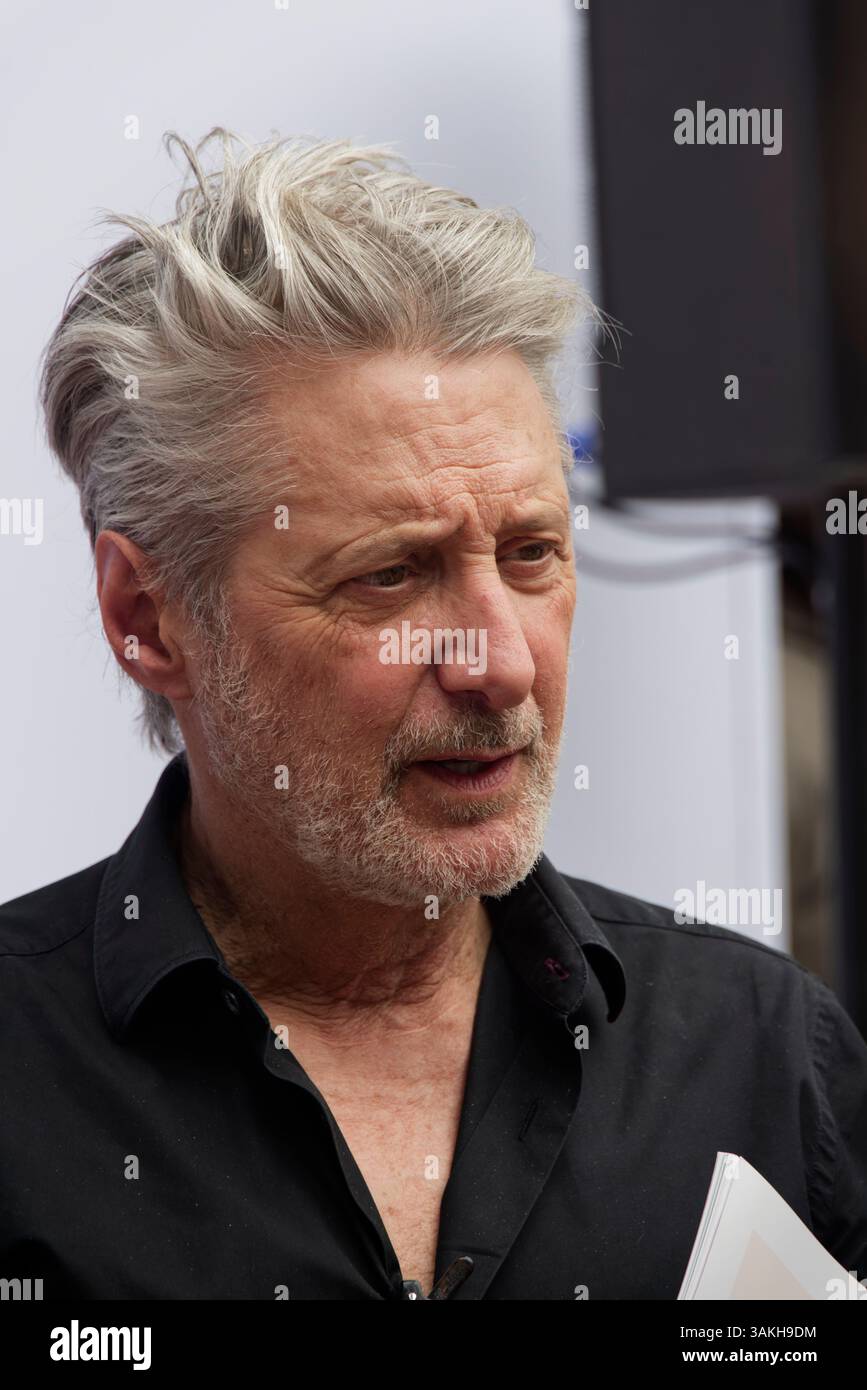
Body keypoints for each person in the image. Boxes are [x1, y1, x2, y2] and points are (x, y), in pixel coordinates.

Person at [2, 128, 864, 1301]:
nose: (501, 664)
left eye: (532, 554)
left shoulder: (764, 1057)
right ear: (150, 619)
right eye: (392, 575)